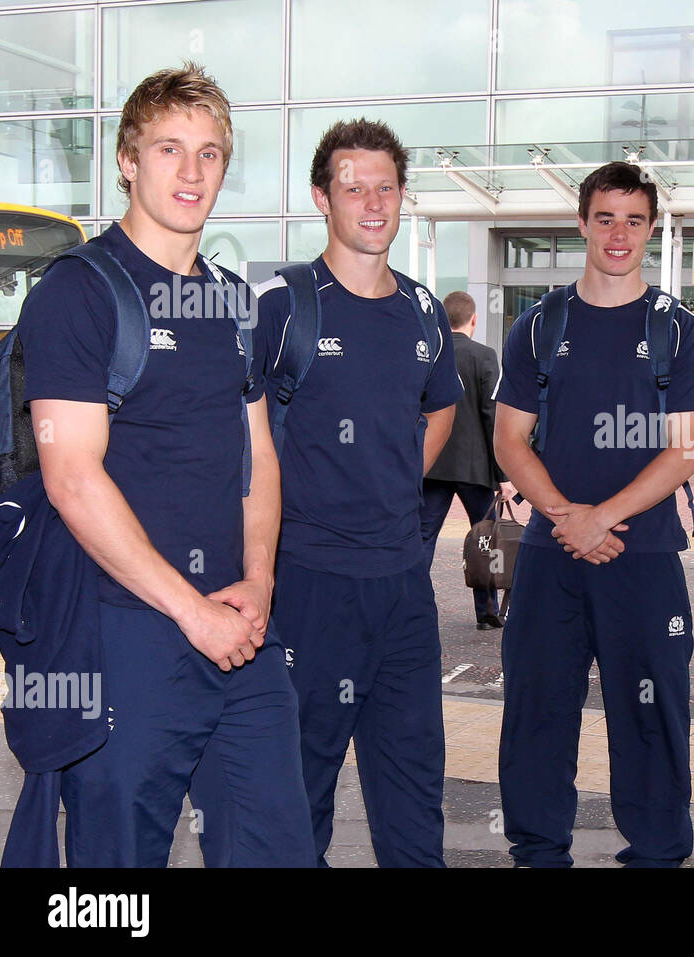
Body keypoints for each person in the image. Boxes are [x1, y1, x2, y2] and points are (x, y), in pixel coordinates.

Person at [19, 62, 314, 866]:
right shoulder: (78, 293)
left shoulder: (233, 302)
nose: (191, 173)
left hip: (243, 632)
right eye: (169, 149)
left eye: (210, 153)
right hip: (126, 636)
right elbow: (72, 475)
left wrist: (258, 582)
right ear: (127, 159)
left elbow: (258, 457)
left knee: (277, 846)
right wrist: (192, 612)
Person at [493, 161, 694, 867]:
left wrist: (603, 518)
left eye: (634, 219)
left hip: (644, 554)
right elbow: (508, 436)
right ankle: (537, 848)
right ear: (583, 222)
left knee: (651, 711)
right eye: (605, 217)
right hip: (551, 552)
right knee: (537, 706)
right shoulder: (538, 325)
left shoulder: (680, 332)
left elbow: (686, 449)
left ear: (653, 228)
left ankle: (655, 850)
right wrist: (567, 518)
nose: (619, 234)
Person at [252, 119, 462, 867]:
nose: (372, 202)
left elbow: (442, 404)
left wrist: (404, 466)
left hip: (404, 585)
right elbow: (234, 435)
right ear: (323, 197)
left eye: (386, 187)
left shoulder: (422, 309)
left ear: (402, 197)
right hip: (309, 582)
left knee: (413, 792)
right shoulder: (282, 306)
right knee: (296, 794)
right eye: (354, 187)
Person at [420, 290, 511, 629]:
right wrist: (503, 472)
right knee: (485, 538)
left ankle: (411, 605)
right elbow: (492, 416)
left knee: (422, 538)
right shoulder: (484, 356)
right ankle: (486, 613)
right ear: (474, 319)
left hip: (433, 464)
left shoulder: (430, 355)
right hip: (475, 467)